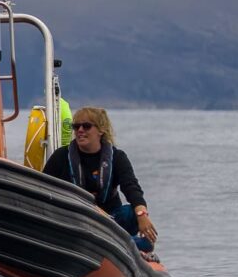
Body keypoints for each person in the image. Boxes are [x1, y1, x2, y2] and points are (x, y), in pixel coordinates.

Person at [42, 106, 159, 252]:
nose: (80, 130)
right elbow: (43, 188)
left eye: (86, 126)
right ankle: (129, 244)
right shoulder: (61, 157)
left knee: (131, 214)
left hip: (110, 220)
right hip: (74, 219)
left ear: (101, 130)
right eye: (76, 126)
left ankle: (125, 245)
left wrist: (142, 214)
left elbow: (131, 187)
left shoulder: (117, 157)